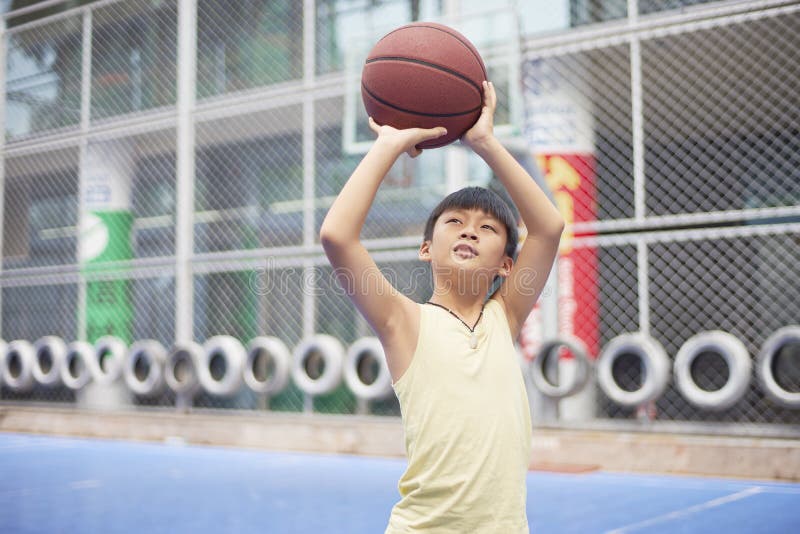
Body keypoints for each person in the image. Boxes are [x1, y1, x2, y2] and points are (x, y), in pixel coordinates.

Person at [320, 81, 564, 533]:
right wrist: (389, 146)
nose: (470, 231)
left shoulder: (504, 316)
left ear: (508, 264)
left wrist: (485, 143)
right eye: (455, 222)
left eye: (487, 228)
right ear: (426, 249)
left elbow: (548, 227)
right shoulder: (403, 322)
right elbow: (337, 236)